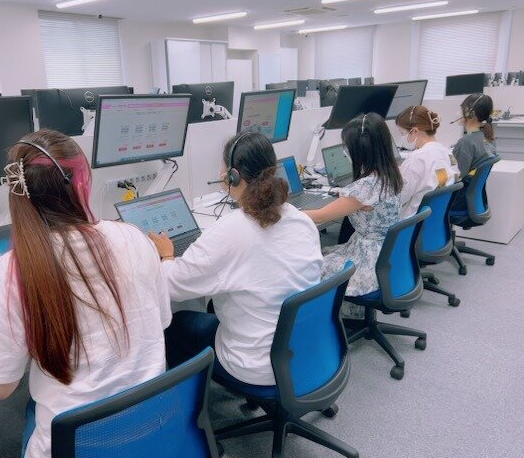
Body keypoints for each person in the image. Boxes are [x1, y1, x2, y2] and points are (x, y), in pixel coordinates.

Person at [0, 130, 170, 458]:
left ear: (17, 192)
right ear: (82, 181)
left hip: (78, 446)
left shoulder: (9, 274)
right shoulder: (133, 237)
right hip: (153, 426)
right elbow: (161, 320)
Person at [148, 131, 322, 387]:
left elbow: (172, 286)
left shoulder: (229, 231)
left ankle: (193, 406)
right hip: (304, 349)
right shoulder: (300, 219)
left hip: (257, 366)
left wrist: (167, 255)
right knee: (217, 304)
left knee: (178, 325)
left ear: (233, 175)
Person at [303, 113, 403, 317]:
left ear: (360, 151)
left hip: (368, 264)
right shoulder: (390, 175)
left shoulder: (364, 188)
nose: (344, 151)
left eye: (346, 146)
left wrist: (283, 211)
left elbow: (320, 217)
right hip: (387, 255)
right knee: (327, 253)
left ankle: (323, 320)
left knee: (312, 265)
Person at [396, 105, 460, 218]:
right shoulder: (447, 152)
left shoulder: (416, 158)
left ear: (414, 131)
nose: (402, 138)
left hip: (411, 224)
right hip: (434, 220)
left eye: (402, 133)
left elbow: (397, 199)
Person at [453, 93, 496, 177]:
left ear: (469, 113)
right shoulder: (488, 137)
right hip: (472, 184)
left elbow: (456, 176)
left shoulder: (465, 142)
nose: (459, 112)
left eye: (461, 109)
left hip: (462, 185)